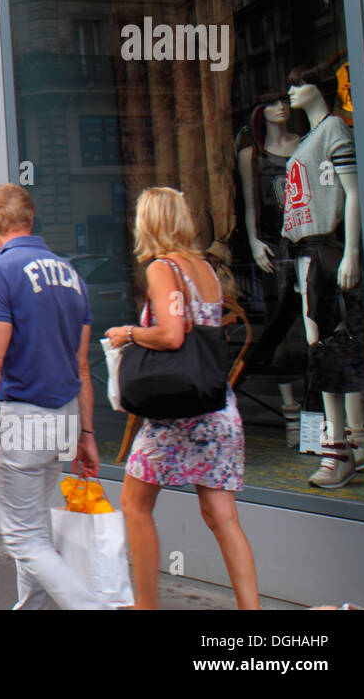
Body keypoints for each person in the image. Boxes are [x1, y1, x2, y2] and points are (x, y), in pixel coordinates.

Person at [105, 186, 260, 609]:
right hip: (215, 404)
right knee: (222, 517)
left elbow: (173, 335)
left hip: (179, 414)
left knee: (133, 503)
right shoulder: (203, 267)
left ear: (148, 222)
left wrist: (129, 333)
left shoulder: (162, 267)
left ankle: (146, 605)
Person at [0, 184, 106, 610]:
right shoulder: (71, 275)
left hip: (22, 418)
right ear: (31, 219)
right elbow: (81, 366)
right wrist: (87, 433)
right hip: (64, 415)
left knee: (24, 539)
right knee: (36, 530)